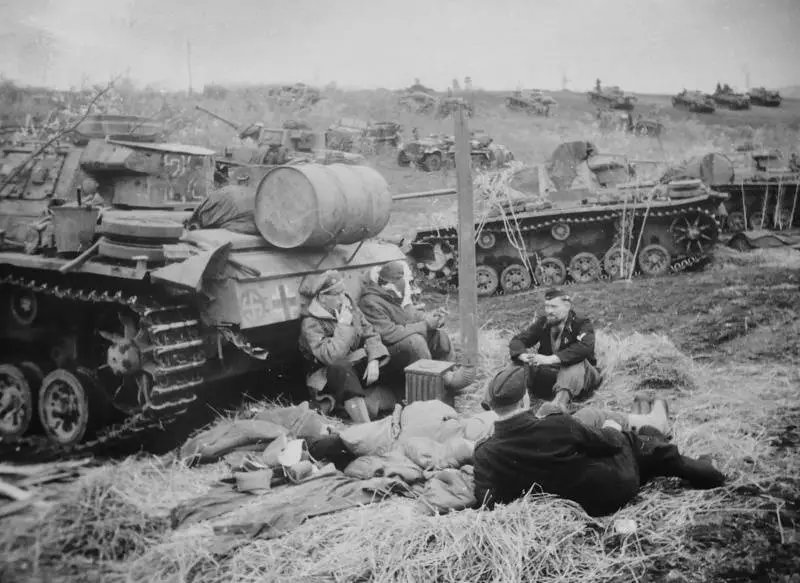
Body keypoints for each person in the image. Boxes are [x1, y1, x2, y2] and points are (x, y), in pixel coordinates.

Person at [472, 365, 726, 516]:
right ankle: (707, 471)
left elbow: (489, 501)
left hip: (570, 508)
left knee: (645, 438)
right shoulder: (557, 425)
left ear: (492, 408)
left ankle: (652, 430)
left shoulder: (484, 453)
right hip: (611, 491)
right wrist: (612, 427)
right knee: (635, 441)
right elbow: (609, 444)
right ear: (525, 400)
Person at [298, 270, 390, 424]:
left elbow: (371, 333)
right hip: (326, 375)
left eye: (343, 292)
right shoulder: (311, 323)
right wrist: (343, 326)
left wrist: (374, 359)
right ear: (322, 298)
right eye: (336, 294)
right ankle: (366, 427)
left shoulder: (348, 307)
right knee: (342, 369)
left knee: (394, 355)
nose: (343, 298)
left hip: (352, 362)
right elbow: (332, 357)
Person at [508, 288, 602, 416]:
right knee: (517, 365)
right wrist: (524, 356)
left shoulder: (581, 322)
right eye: (547, 306)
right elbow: (517, 341)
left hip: (582, 378)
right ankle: (503, 401)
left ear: (567, 306)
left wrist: (551, 359)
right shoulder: (544, 322)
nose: (549, 311)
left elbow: (585, 347)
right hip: (550, 376)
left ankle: (557, 406)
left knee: (573, 364)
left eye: (553, 307)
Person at [358, 260, 454, 377]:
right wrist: (425, 325)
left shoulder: (390, 294)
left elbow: (410, 314)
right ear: (385, 284)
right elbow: (389, 334)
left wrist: (430, 318)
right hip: (385, 350)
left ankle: (449, 378)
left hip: (399, 340)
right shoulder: (370, 302)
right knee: (415, 342)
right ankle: (428, 385)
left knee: (440, 337)